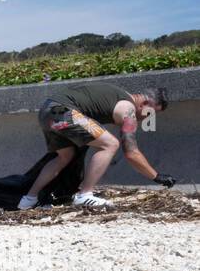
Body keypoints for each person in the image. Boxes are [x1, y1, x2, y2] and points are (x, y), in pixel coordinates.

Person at [19, 82, 174, 210]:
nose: (148, 118)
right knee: (111, 144)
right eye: (150, 113)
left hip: (47, 111)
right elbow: (131, 152)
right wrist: (156, 176)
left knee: (64, 157)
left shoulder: (121, 94)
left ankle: (28, 200)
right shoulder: (129, 110)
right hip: (63, 112)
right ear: (145, 104)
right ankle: (84, 195)